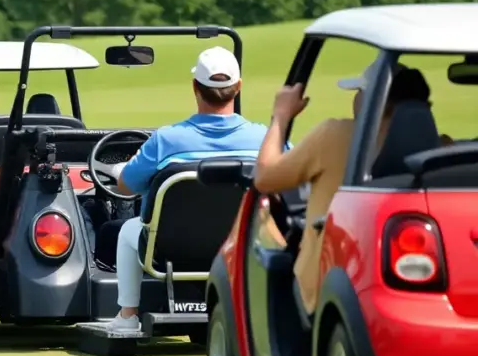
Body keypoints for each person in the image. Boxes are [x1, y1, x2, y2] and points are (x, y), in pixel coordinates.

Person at [102, 46, 270, 331]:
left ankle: (128, 316)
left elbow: (125, 184)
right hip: (242, 246)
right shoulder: (265, 138)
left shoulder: (166, 140)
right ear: (238, 87)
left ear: (195, 87)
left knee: (128, 230)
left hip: (170, 251)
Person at [253, 64, 436, 319]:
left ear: (375, 101)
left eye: (360, 92)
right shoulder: (440, 152)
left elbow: (264, 177)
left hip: (329, 286)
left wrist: (280, 117)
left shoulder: (334, 135)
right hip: (421, 289)